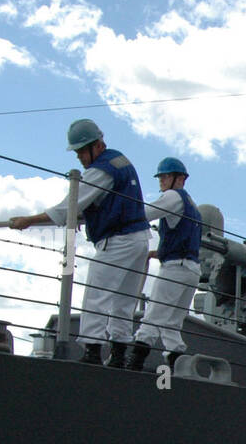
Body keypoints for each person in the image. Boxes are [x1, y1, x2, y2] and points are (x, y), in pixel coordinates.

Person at [11, 119, 149, 366]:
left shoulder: (101, 170)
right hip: (139, 239)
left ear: (96, 145)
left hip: (117, 241)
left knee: (96, 295)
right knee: (124, 299)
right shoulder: (120, 161)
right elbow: (96, 206)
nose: (79, 158)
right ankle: (119, 353)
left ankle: (92, 351)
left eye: (81, 151)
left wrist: (29, 220)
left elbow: (69, 207)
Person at [125, 157, 203, 371]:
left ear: (179, 179)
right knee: (172, 323)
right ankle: (176, 365)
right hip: (191, 270)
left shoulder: (171, 197)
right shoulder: (192, 207)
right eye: (160, 176)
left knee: (154, 314)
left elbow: (143, 214)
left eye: (165, 176)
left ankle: (135, 362)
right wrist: (156, 252)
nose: (161, 180)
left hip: (175, 269)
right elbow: (183, 239)